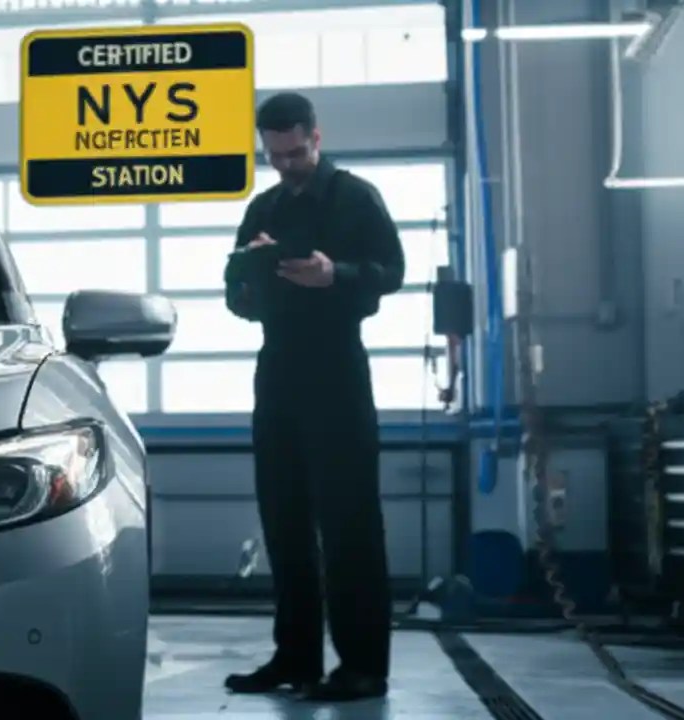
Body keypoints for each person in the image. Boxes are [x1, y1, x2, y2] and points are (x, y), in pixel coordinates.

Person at [222, 92, 404, 702]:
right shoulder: (263, 206)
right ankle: (295, 657)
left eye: (295, 152)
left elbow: (392, 272)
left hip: (337, 367)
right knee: (285, 519)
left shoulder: (355, 198)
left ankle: (363, 666)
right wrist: (250, 275)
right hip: (277, 369)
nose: (286, 165)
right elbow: (234, 296)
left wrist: (337, 275)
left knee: (349, 521)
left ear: (316, 138)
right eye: (274, 156)